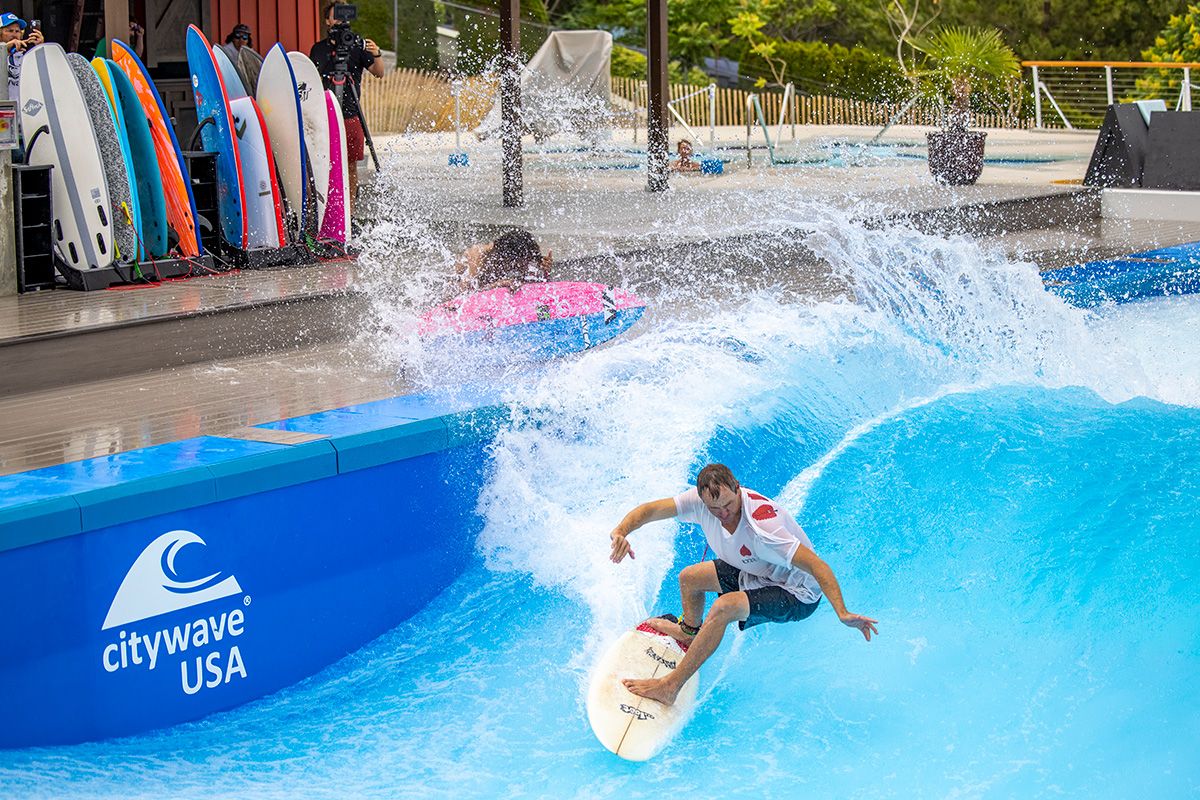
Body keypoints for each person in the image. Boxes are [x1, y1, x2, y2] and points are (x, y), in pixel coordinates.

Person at [608, 463, 878, 706]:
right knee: (690, 578)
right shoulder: (702, 503)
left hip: (797, 592)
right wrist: (621, 531)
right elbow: (651, 510)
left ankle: (670, 687)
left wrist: (842, 612)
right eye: (715, 509)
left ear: (737, 488)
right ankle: (689, 633)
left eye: (728, 504)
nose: (723, 513)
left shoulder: (764, 527)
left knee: (725, 607)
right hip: (757, 570)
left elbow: (818, 566)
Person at [309, 2, 385, 217]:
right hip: (324, 116)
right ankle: (326, 211)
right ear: (327, 20)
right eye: (336, 16)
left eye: (344, 16)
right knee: (324, 164)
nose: (340, 20)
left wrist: (376, 53)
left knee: (350, 166)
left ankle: (348, 213)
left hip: (350, 115)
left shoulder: (357, 46)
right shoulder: (318, 48)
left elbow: (379, 72)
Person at [455, 229, 552, 293]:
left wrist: (545, 271)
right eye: (525, 262)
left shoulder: (509, 258)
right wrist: (499, 284)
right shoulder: (477, 256)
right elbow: (466, 290)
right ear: (512, 257)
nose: (527, 266)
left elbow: (538, 284)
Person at [1, 12, 43, 106]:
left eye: (17, 31)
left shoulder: (27, 56)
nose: (14, 34)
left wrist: (40, 48)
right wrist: (4, 50)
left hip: (25, 110)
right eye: (10, 31)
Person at [218, 23, 264, 93]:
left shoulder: (251, 54)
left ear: (248, 40)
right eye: (238, 36)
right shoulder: (225, 53)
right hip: (230, 87)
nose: (241, 40)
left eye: (245, 37)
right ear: (233, 38)